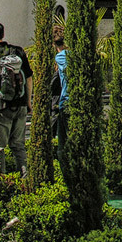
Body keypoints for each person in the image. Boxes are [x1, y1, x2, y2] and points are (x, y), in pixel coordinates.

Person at [0, 21, 33, 176]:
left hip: (0, 106)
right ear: (3, 34)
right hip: (21, 104)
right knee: (19, 146)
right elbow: (29, 78)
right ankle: (25, 182)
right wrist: (28, 102)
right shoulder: (18, 52)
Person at [53, 25, 69, 165]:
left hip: (65, 100)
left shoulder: (60, 57)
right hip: (74, 100)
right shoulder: (73, 55)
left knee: (62, 145)